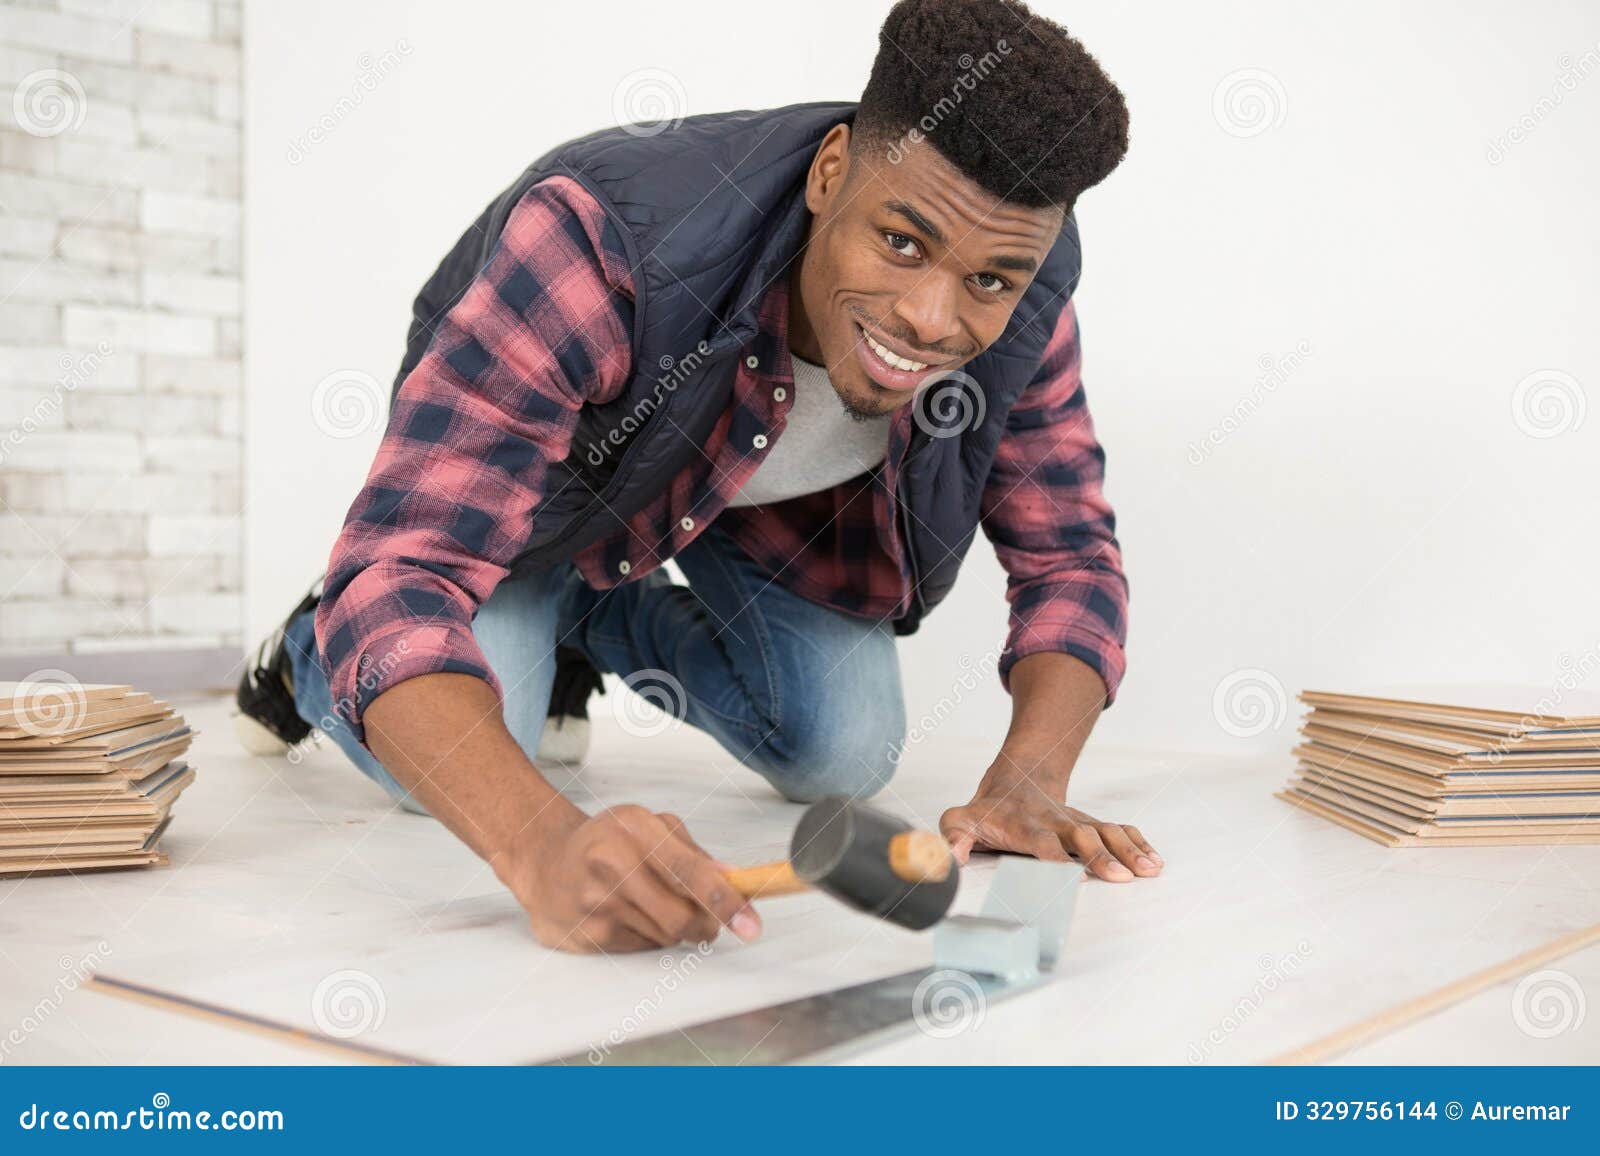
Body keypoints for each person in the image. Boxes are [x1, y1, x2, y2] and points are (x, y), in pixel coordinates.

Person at [236, 0, 1160, 954]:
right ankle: (311, 647)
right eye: (901, 243)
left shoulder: (1029, 295)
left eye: (990, 281)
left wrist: (1032, 776)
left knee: (844, 753)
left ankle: (585, 623)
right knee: (456, 759)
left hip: (731, 509)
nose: (931, 319)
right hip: (539, 508)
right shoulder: (605, 240)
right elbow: (405, 571)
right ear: (832, 170)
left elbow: (1069, 557)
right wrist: (540, 845)